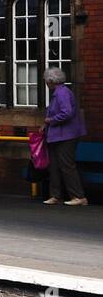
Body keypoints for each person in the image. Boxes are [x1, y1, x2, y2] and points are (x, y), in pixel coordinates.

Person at [42, 68, 88, 206]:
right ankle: (56, 195)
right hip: (57, 135)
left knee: (67, 166)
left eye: (45, 79)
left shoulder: (62, 93)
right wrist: (46, 125)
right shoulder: (58, 92)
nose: (45, 82)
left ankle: (79, 197)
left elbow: (67, 113)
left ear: (51, 81)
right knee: (54, 166)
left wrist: (51, 120)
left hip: (66, 135)